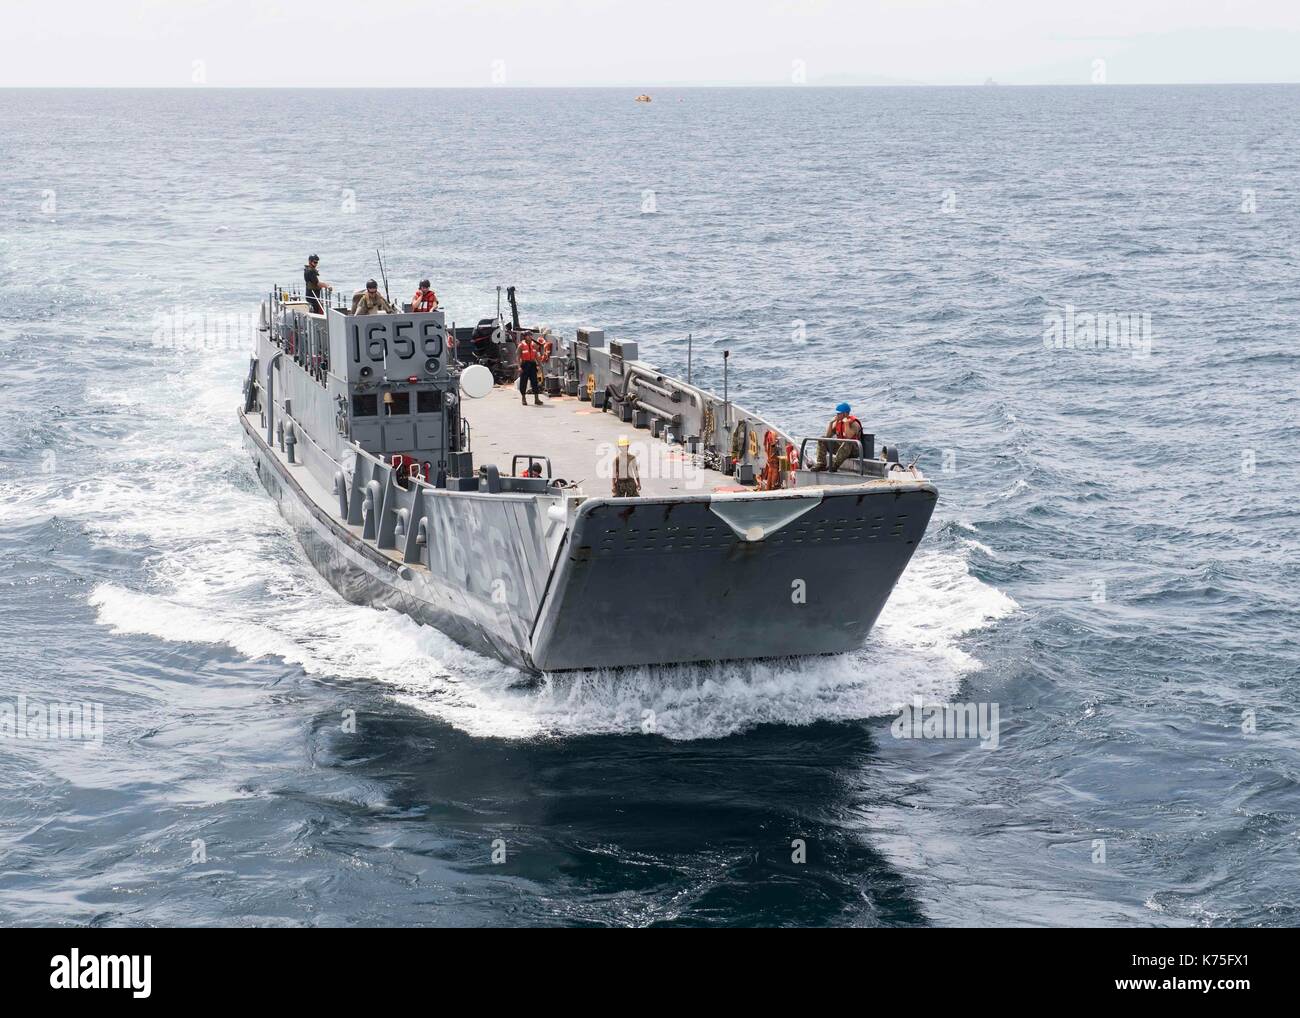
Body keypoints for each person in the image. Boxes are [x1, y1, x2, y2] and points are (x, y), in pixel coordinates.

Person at [814, 402, 863, 471]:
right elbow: (828, 436)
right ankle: (821, 464)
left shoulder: (854, 424)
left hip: (853, 450)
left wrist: (846, 423)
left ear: (845, 414)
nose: (837, 415)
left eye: (839, 413)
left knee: (847, 442)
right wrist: (831, 423)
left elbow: (848, 437)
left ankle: (834, 466)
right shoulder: (838, 422)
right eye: (837, 413)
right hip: (841, 448)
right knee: (822, 439)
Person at [517, 331, 544, 406]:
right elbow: (518, 357)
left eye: (531, 335)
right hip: (525, 365)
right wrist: (519, 367)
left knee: (534, 382)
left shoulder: (534, 345)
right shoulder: (521, 346)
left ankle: (536, 399)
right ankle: (523, 398)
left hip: (532, 364)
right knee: (523, 382)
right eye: (528, 335)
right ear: (525, 337)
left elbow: (537, 356)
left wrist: (540, 365)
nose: (530, 337)